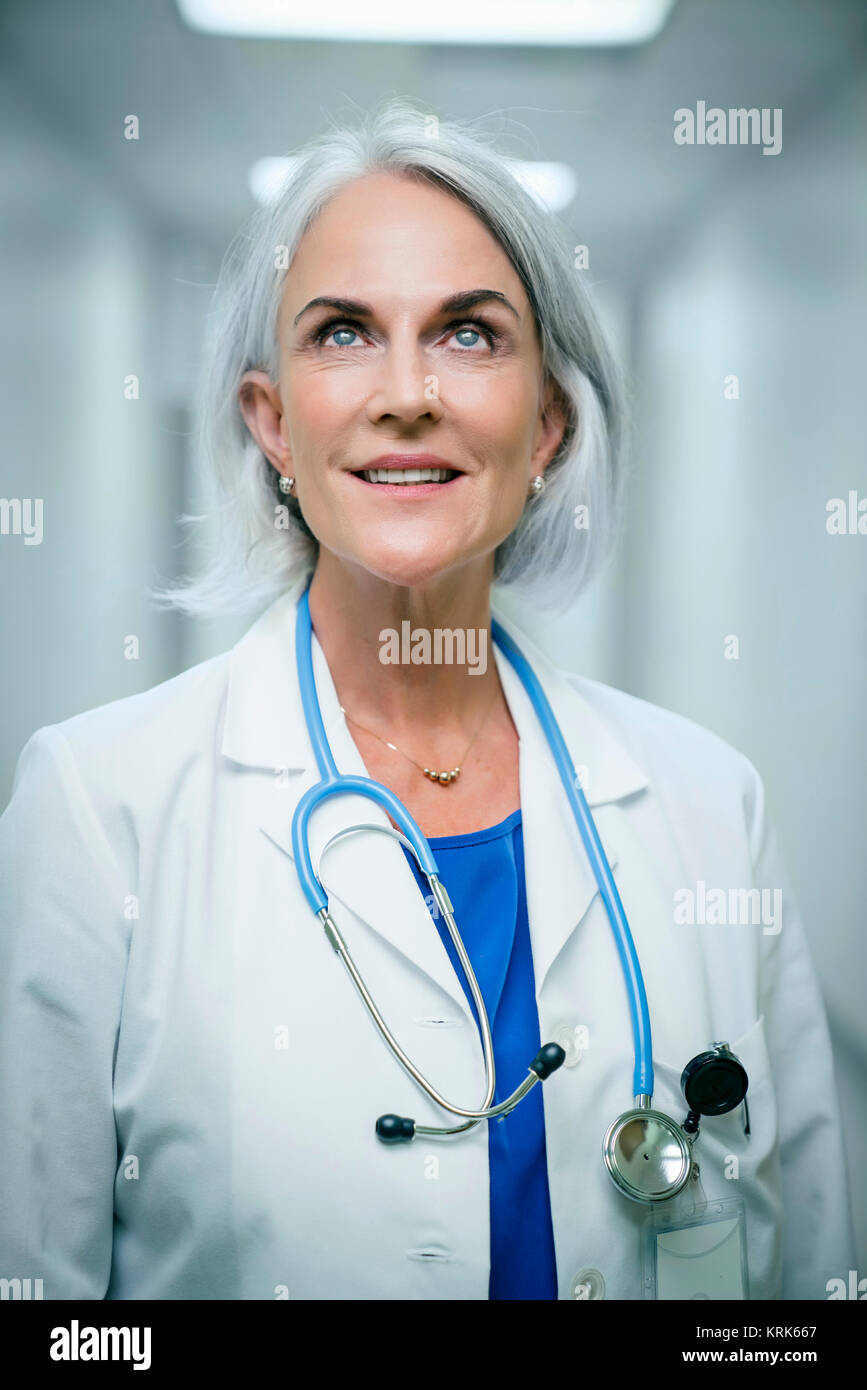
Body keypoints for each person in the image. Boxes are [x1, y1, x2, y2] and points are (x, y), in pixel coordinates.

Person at [0, 99, 853, 1301]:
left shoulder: (712, 806)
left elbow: (803, 1288)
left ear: (548, 422)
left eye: (469, 335)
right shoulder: (100, 809)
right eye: (344, 333)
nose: (408, 393)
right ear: (272, 424)